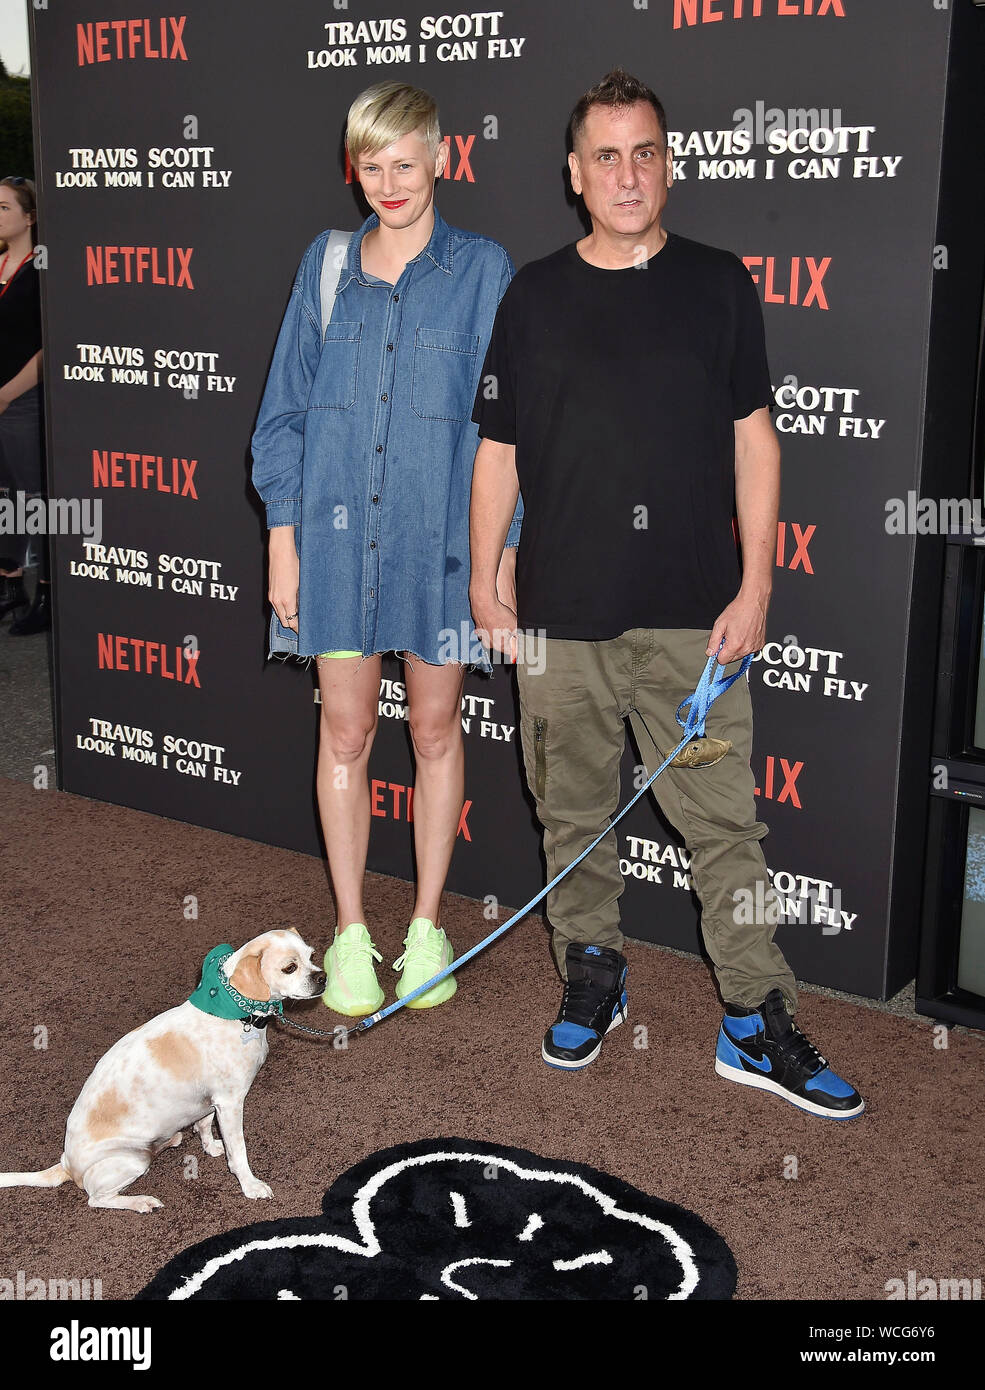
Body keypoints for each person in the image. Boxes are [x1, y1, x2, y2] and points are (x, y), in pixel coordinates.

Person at [469, 70, 863, 1119]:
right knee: (572, 817)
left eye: (644, 151)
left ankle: (753, 1017)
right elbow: (497, 448)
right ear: (573, 174)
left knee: (725, 831)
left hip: (695, 616)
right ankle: (591, 972)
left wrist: (759, 582)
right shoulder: (534, 294)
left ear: (670, 165)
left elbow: (754, 439)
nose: (626, 172)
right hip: (560, 622)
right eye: (605, 155)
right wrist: (481, 571)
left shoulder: (719, 283)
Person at [252, 83, 519, 1018]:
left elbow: (505, 431)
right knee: (346, 735)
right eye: (371, 164)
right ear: (352, 167)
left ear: (441, 156)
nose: (389, 182)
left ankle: (429, 926)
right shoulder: (326, 267)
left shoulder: (485, 270)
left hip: (439, 550)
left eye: (405, 161)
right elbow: (282, 413)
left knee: (436, 732)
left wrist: (500, 557)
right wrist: (282, 541)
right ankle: (353, 930)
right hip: (332, 549)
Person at [0, 176, 49, 634]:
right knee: (7, 496)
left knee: (36, 497)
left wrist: (8, 394)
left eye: (2, 207)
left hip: (22, 400)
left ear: (29, 217)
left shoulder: (40, 271)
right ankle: (10, 583)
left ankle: (50, 596)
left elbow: (47, 346)